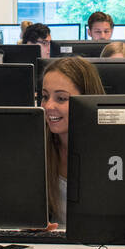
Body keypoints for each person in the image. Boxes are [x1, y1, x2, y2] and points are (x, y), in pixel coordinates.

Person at [41, 56, 104, 227]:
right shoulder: (39, 148)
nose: (48, 106)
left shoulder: (110, 154)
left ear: (87, 100)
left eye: (61, 98)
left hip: (101, 248)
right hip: (53, 248)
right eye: (45, 97)